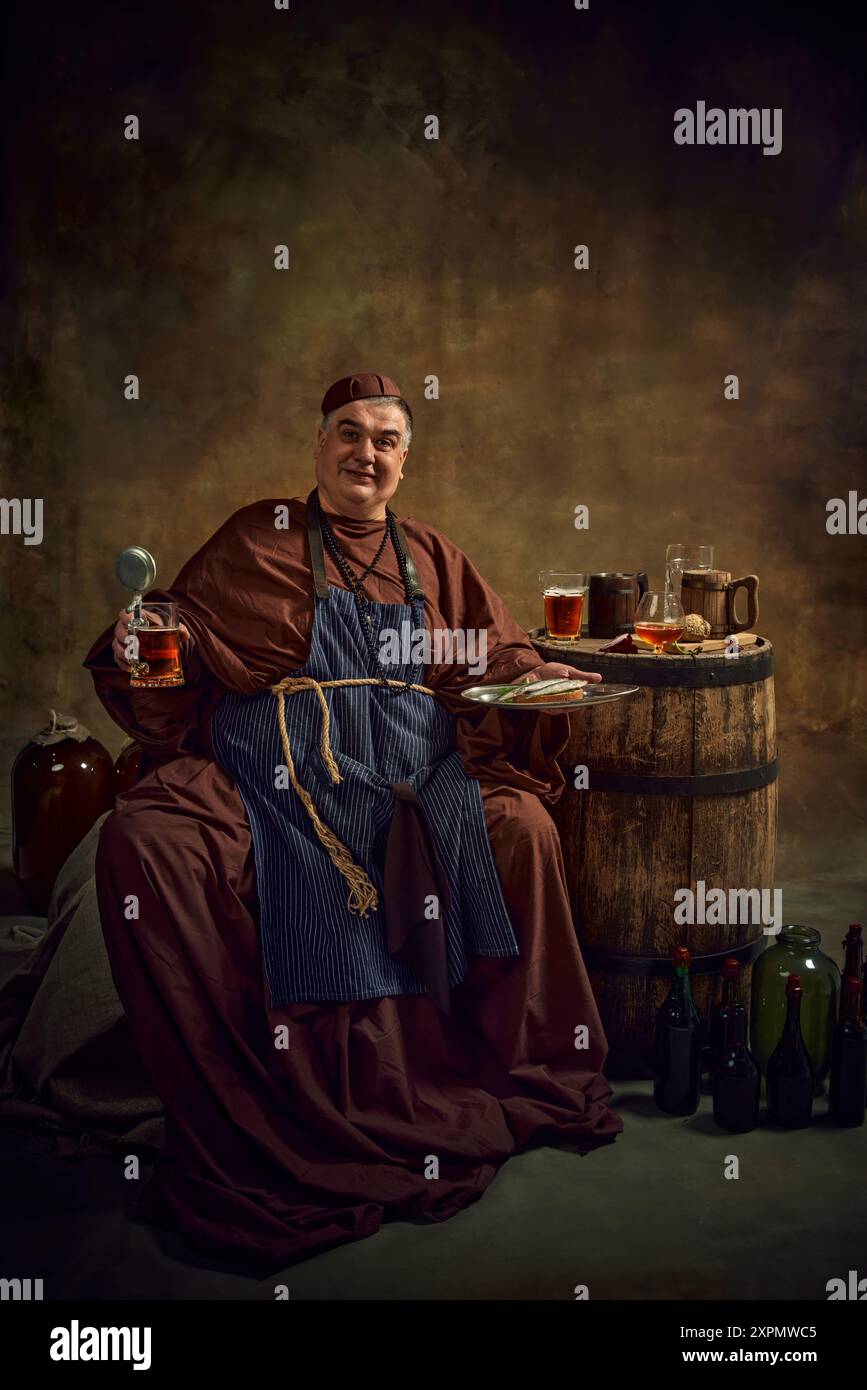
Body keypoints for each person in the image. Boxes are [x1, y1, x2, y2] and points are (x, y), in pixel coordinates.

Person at [84, 371, 622, 1269]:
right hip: (282, 768)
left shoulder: (435, 555)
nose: (363, 452)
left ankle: (507, 1056)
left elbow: (495, 650)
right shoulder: (261, 537)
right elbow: (181, 632)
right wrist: (147, 639)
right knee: (148, 842)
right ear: (320, 443)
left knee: (520, 824)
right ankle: (254, 1099)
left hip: (415, 766)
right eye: (348, 433)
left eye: (383, 439)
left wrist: (538, 678)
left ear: (403, 459)